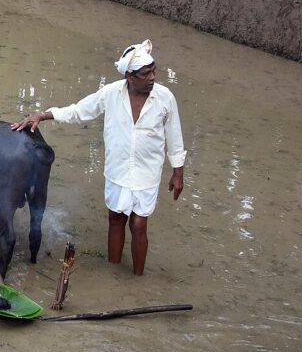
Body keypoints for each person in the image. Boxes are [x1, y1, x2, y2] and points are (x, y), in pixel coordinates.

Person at [10, 40, 186, 276]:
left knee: (139, 224)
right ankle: (113, 272)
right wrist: (43, 115)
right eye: (146, 73)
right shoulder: (111, 93)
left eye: (154, 71)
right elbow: (79, 110)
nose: (152, 77)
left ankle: (138, 277)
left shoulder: (165, 98)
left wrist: (178, 172)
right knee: (115, 219)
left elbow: (174, 134)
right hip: (117, 169)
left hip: (147, 172)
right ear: (130, 77)